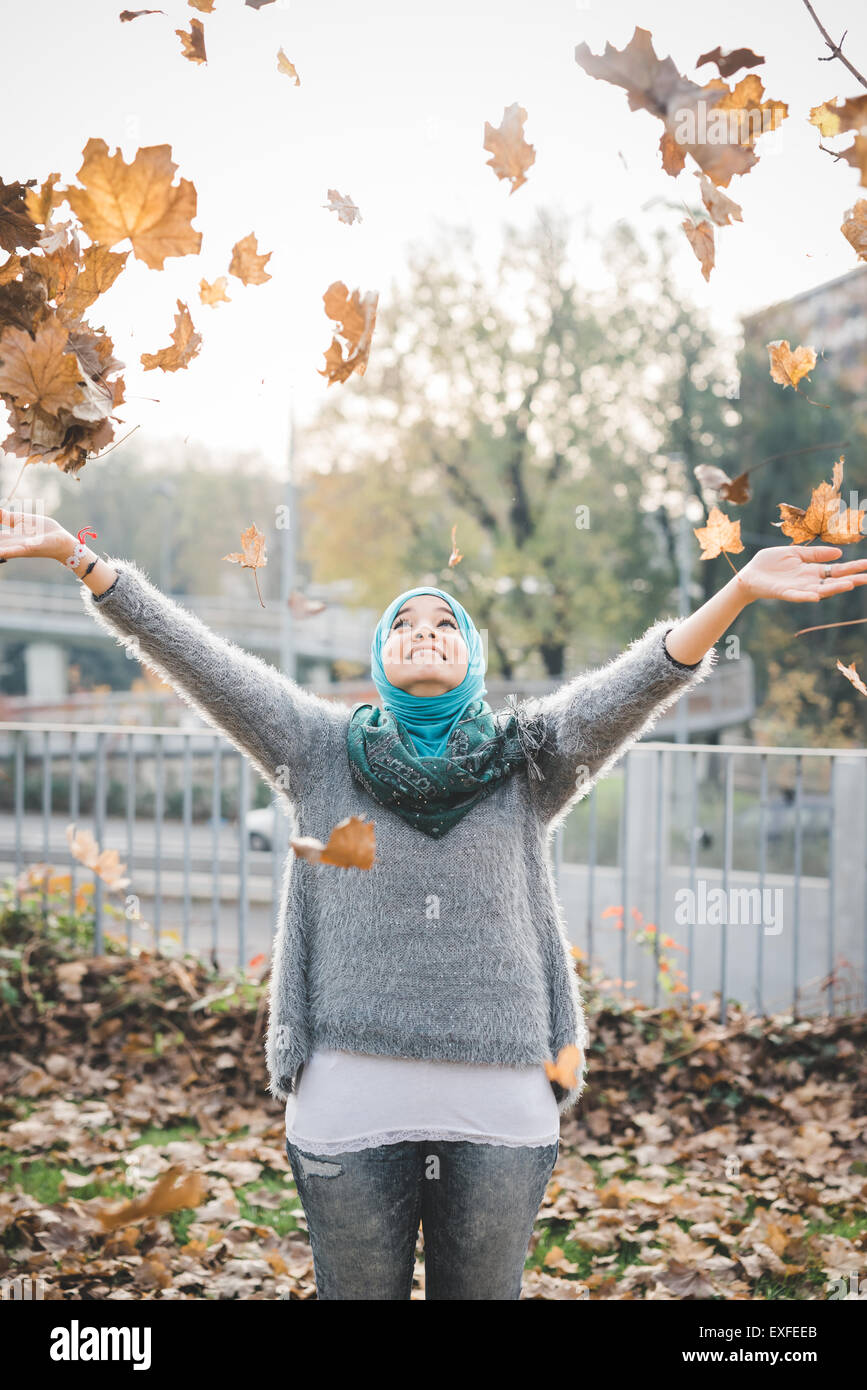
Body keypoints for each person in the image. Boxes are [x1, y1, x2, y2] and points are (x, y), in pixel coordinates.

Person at [1, 506, 864, 1300]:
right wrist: (81, 561)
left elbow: (644, 678)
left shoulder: (532, 757)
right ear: (378, 657)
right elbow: (200, 660)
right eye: (403, 625)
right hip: (346, 1102)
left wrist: (740, 588)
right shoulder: (317, 749)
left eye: (445, 622)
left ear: (471, 657)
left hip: (501, 1107)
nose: (425, 633)